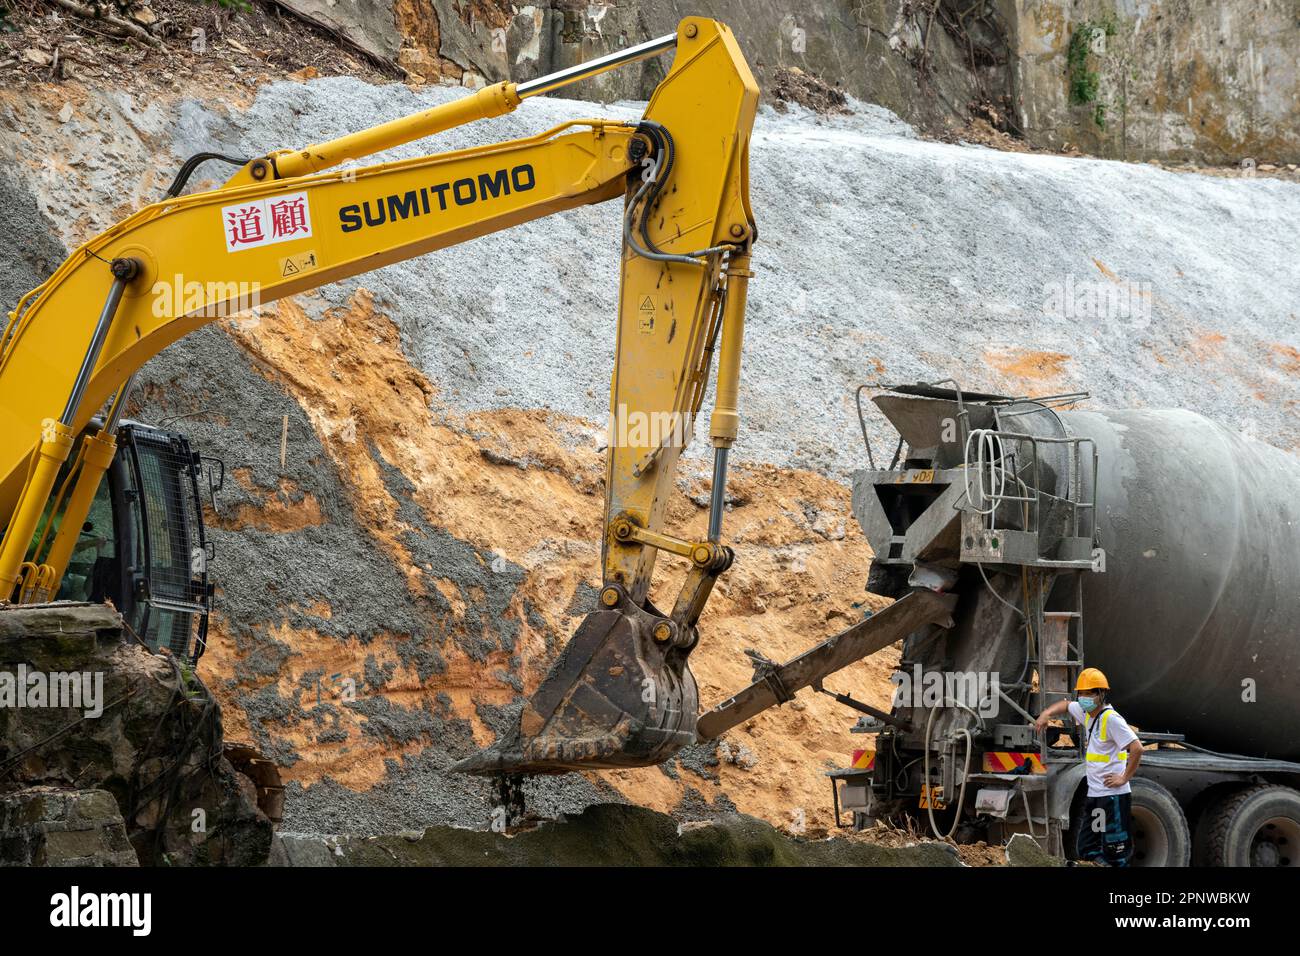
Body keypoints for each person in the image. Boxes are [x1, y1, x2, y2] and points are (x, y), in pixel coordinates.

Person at [1034, 668, 1143, 866]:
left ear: (1101, 694)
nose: (1083, 698)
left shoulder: (1112, 719)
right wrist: (1046, 714)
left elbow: (1137, 748)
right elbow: (1066, 706)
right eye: (1081, 693)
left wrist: (1124, 778)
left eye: (1089, 693)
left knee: (1115, 851)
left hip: (1113, 798)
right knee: (1088, 848)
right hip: (1096, 797)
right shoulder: (1087, 713)